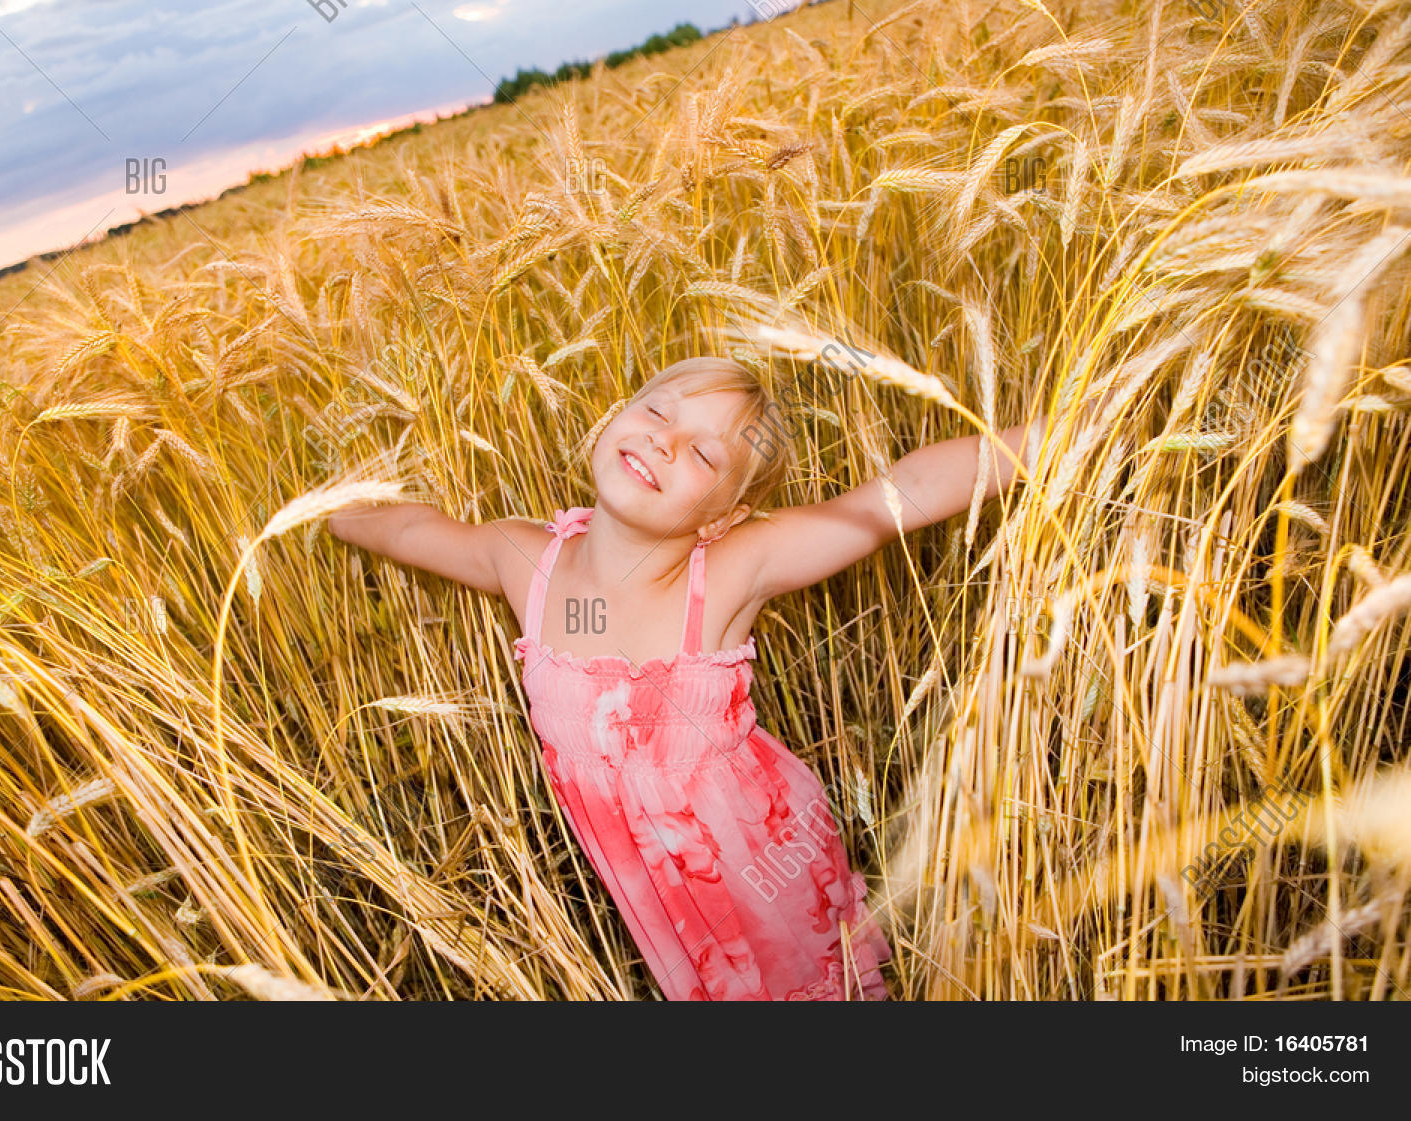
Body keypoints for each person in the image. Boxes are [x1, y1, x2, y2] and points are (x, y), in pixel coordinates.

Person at [328, 355, 1044, 999]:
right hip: (658, 904)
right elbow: (412, 531)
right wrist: (330, 513)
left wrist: (1055, 437)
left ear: (721, 516)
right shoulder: (529, 567)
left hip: (765, 874)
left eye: (702, 451)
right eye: (656, 410)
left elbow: (898, 496)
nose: (662, 440)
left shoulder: (731, 571)